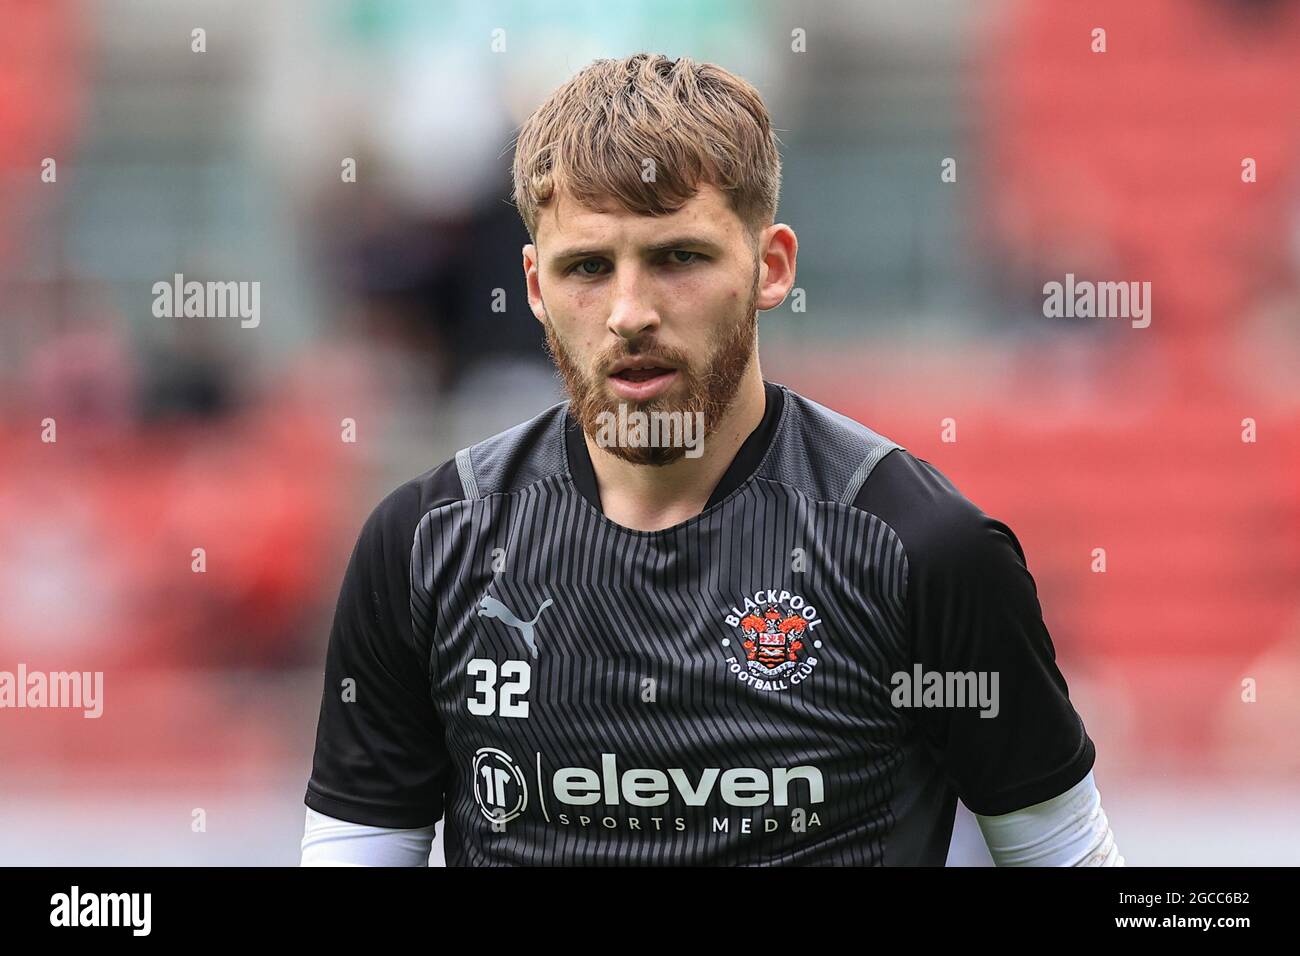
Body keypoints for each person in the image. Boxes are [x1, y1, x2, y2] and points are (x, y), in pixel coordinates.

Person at [301, 53, 1121, 866]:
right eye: (588, 267)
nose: (629, 313)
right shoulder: (425, 545)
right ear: (536, 287)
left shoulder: (922, 550)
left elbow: (1070, 859)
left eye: (677, 258)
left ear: (770, 268)